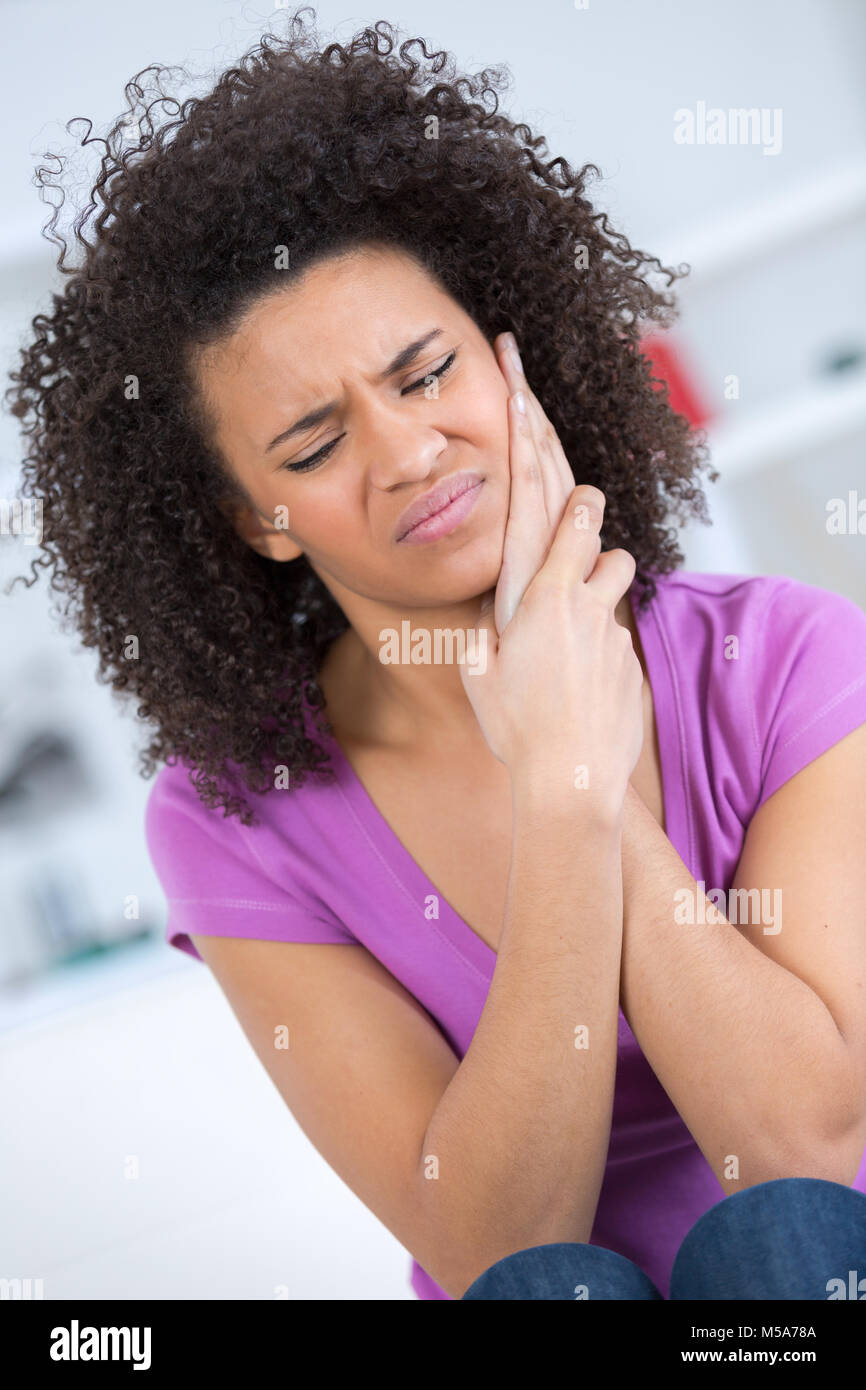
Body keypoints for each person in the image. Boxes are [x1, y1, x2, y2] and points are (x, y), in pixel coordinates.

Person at [7, 13, 866, 1301]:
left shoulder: (780, 655)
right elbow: (494, 1248)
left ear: (511, 357)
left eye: (425, 373)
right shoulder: (233, 816)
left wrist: (570, 745)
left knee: (775, 1245)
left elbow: (802, 1147)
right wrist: (564, 796)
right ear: (260, 522)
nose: (407, 453)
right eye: (311, 447)